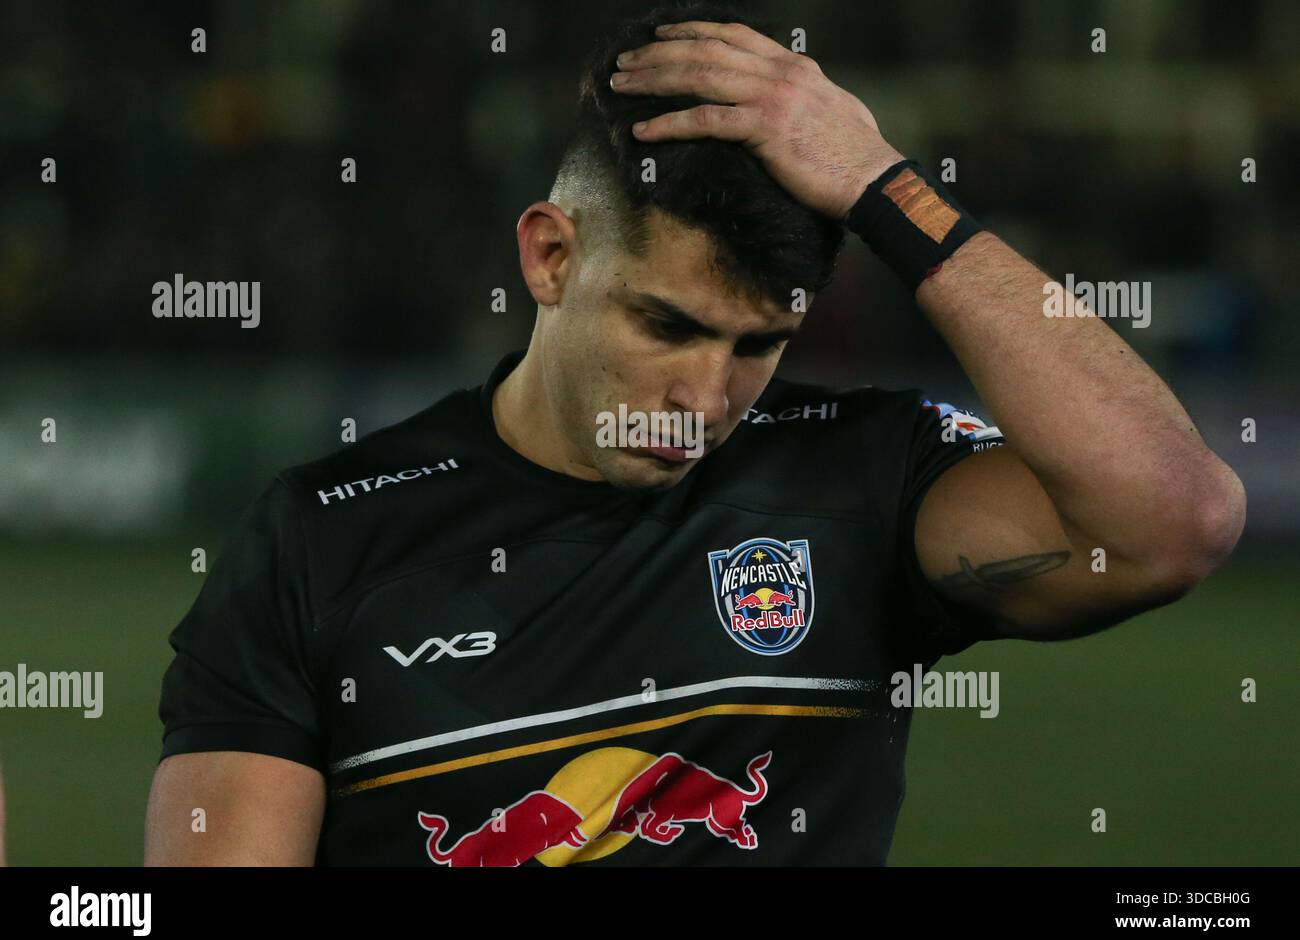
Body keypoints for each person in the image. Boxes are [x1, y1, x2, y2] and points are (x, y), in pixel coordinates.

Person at [145, 4, 1245, 865]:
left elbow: (1172, 519)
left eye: (757, 343)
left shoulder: (860, 477)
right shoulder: (322, 537)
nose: (705, 397)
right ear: (550, 257)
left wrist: (886, 190)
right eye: (666, 323)